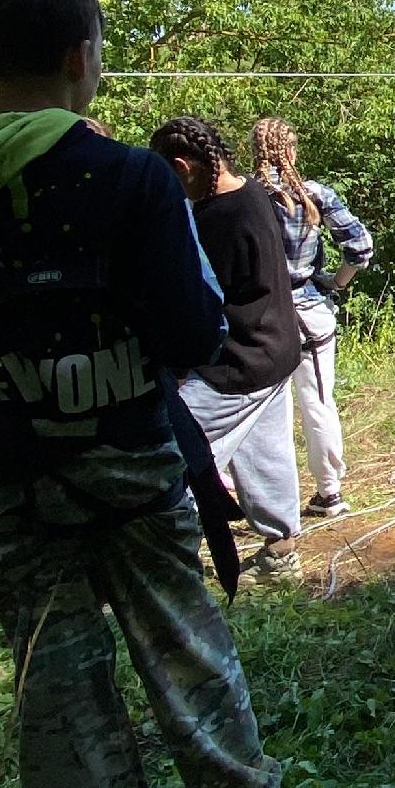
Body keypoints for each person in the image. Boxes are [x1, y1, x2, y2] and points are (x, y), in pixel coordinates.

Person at [0, 0, 300, 788]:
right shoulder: (130, 179)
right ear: (84, 57)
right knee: (184, 648)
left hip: (3, 479)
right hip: (125, 462)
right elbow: (195, 330)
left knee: (54, 669)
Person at [148, 117, 303, 581]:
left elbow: (200, 301)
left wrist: (178, 364)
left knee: (172, 449)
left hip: (239, 361)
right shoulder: (254, 193)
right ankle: (282, 550)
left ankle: (171, 559)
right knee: (266, 451)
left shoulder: (214, 218)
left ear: (184, 167)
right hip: (277, 348)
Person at [251, 116, 374, 520]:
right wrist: (335, 284)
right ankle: (330, 493)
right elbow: (360, 246)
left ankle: (273, 503)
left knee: (270, 411)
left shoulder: (245, 198)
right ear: (291, 150)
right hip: (310, 312)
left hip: (261, 315)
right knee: (319, 402)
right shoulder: (314, 195)